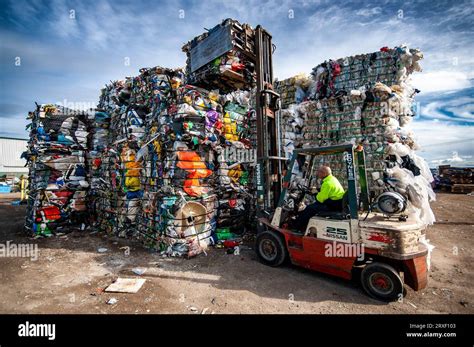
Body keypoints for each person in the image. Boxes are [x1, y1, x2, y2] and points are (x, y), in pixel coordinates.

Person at [292, 166, 345, 231]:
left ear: (324, 173)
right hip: (335, 203)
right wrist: (317, 189)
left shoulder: (327, 184)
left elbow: (320, 199)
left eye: (319, 172)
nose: (317, 173)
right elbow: (328, 190)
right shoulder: (332, 179)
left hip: (332, 206)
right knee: (311, 207)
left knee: (309, 208)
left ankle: (297, 227)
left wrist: (314, 194)